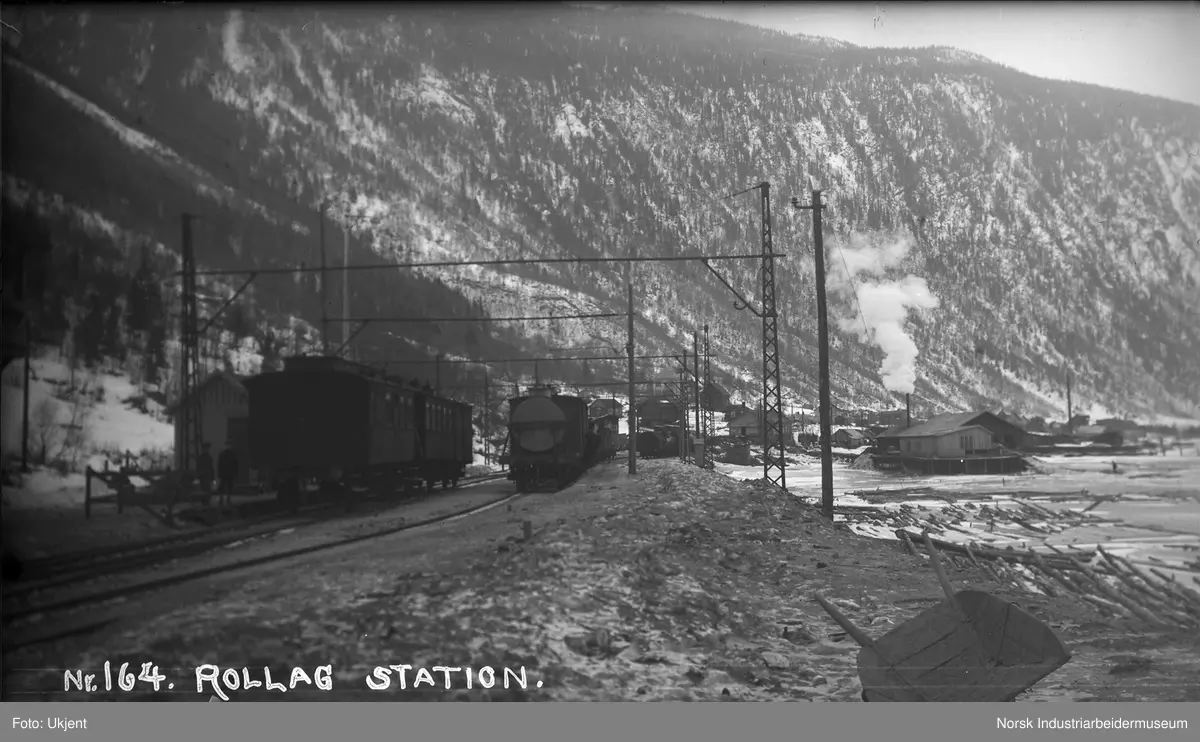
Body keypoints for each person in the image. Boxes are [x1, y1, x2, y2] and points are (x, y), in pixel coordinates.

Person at [217, 441, 239, 508]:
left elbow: (236, 464)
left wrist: (235, 473)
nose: (228, 446)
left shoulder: (232, 454)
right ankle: (221, 499)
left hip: (230, 473)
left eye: (229, 445)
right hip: (224, 473)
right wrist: (219, 473)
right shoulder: (222, 454)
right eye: (227, 445)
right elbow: (219, 464)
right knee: (222, 487)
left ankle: (228, 499)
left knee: (230, 487)